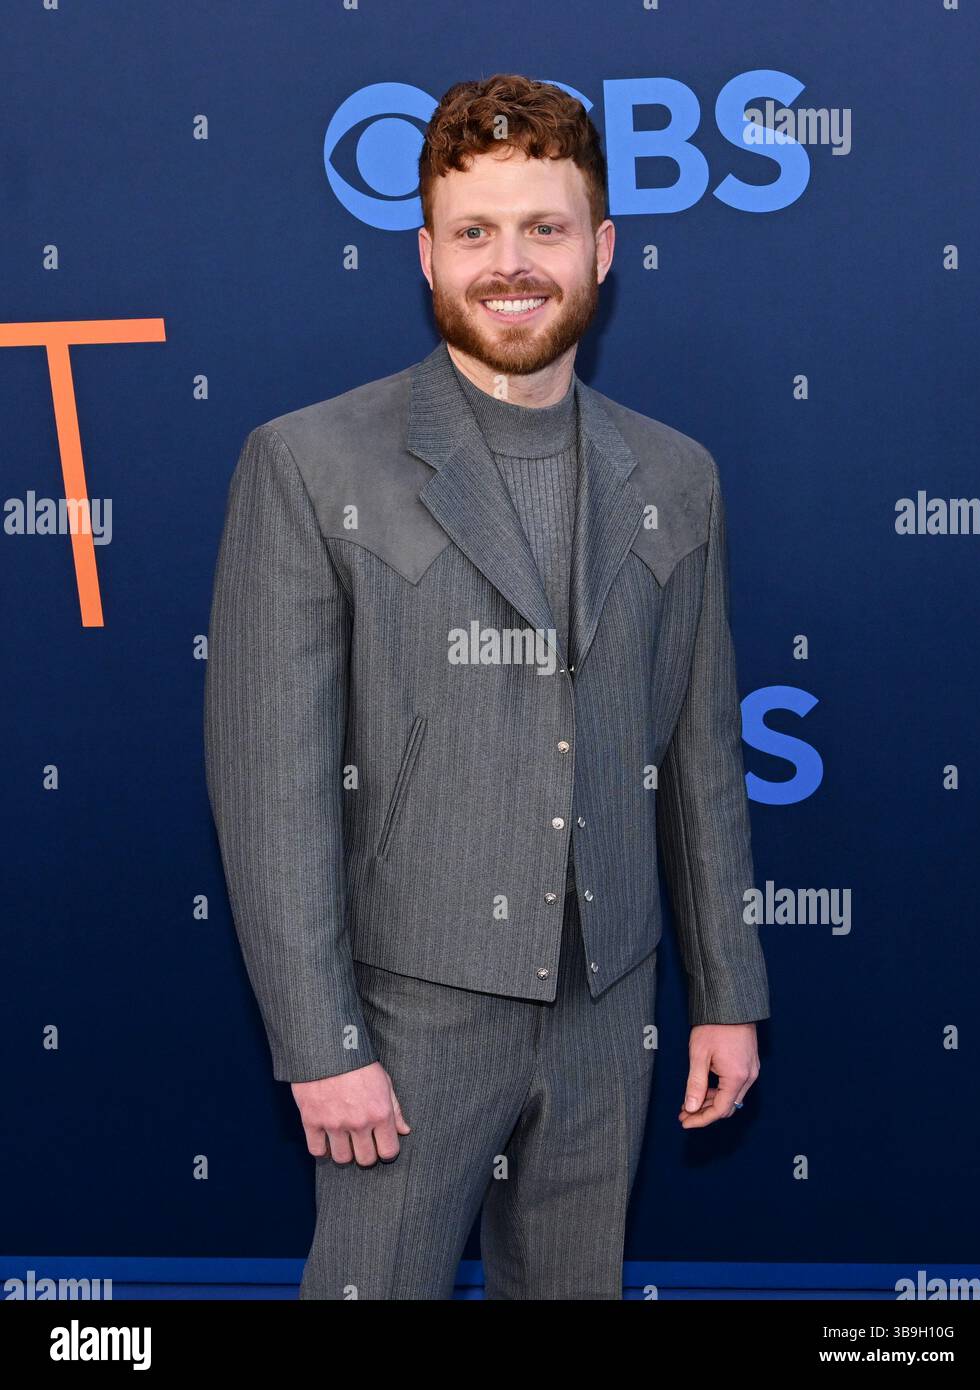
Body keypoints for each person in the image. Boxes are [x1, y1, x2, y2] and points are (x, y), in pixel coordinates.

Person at [203, 72, 769, 1301]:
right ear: (425, 254)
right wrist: (317, 1042)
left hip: (608, 1011)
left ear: (602, 248)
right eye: (475, 232)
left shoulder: (678, 475)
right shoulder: (307, 463)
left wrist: (725, 990)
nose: (510, 263)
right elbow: (269, 783)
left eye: (544, 228)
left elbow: (699, 753)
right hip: (403, 1023)